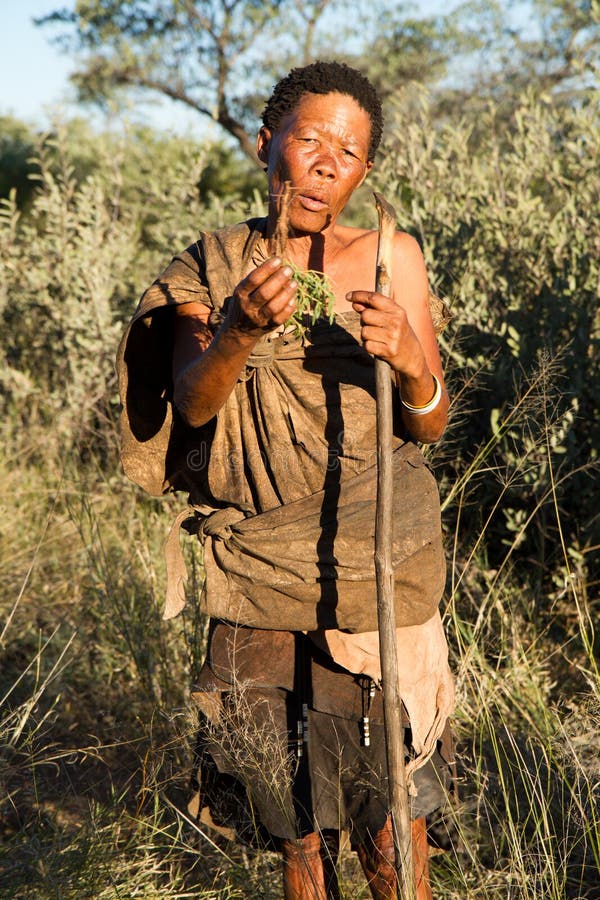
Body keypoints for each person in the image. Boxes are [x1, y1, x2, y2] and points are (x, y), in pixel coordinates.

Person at [117, 61, 455, 899]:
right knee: (292, 829)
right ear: (269, 146)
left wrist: (411, 361)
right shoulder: (214, 265)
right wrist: (237, 330)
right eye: (310, 139)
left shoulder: (389, 257)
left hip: (375, 562)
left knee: (389, 825)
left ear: (364, 172)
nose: (328, 162)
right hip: (258, 564)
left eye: (350, 150)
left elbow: (432, 418)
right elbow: (193, 405)